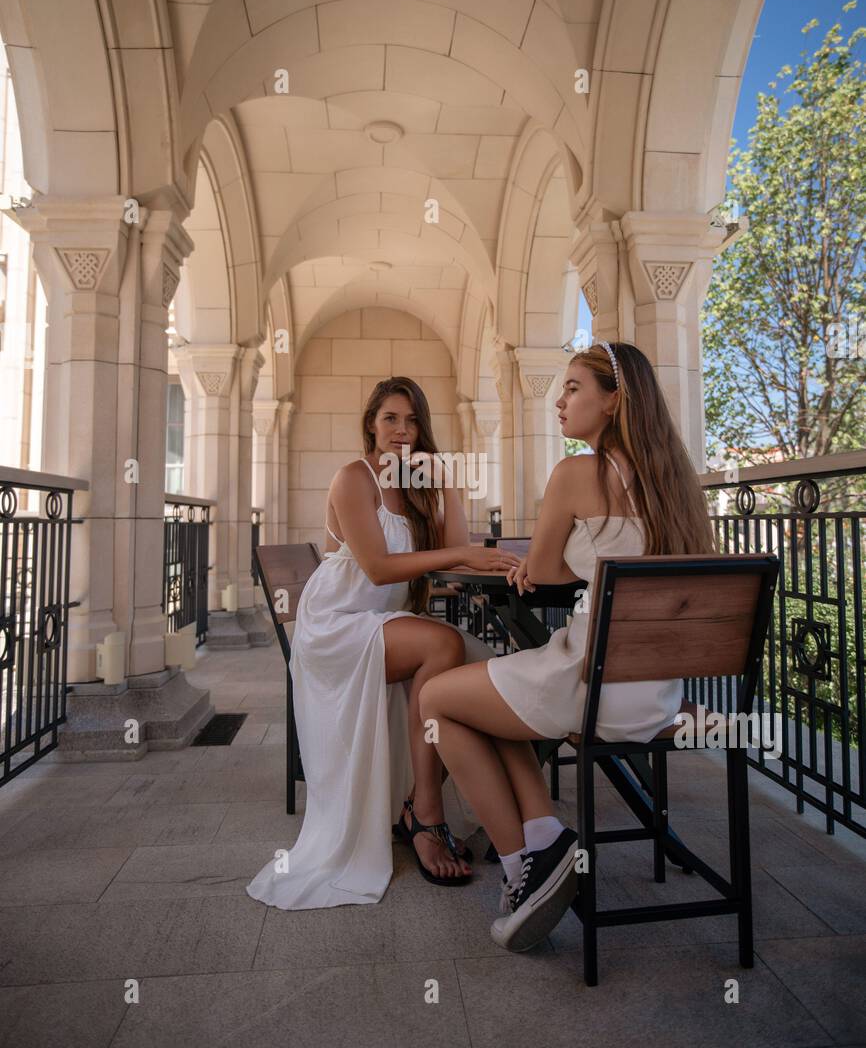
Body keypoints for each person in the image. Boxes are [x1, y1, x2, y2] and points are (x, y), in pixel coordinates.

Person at [419, 341, 717, 952]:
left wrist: (544, 565)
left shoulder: (577, 474)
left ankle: (521, 868)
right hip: (658, 699)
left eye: (575, 387)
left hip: (592, 691)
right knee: (496, 691)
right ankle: (543, 833)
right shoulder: (679, 485)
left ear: (614, 400)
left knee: (437, 697)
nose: (559, 400)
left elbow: (548, 568)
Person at [246, 376, 521, 911]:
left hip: (382, 623)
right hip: (336, 625)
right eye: (391, 419)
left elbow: (456, 555)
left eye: (412, 420)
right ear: (371, 423)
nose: (402, 430)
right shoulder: (355, 478)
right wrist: (458, 556)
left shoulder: (417, 484)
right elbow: (375, 569)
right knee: (444, 645)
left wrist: (447, 487)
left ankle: (494, 810)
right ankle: (426, 812)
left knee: (477, 658)